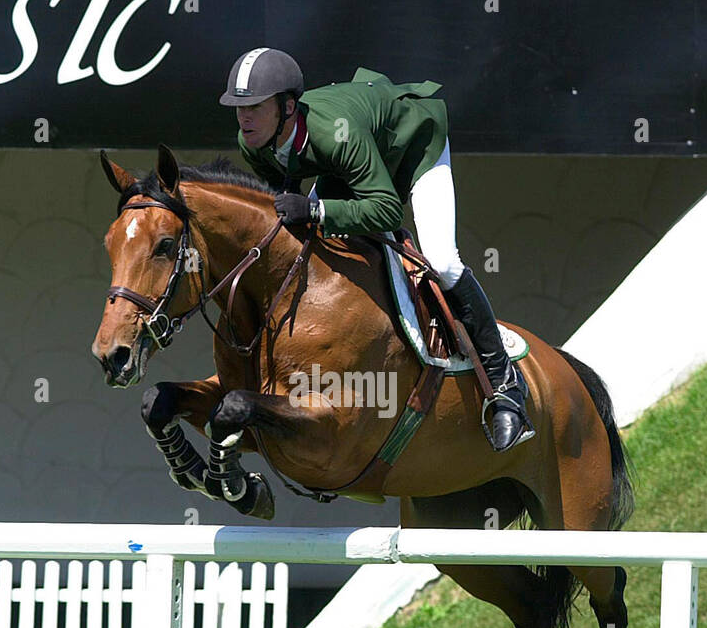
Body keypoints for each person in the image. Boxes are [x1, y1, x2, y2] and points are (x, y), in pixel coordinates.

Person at [218, 47, 534, 452]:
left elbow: (386, 210)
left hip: (412, 146)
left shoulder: (333, 133)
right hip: (354, 161)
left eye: (255, 107)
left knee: (442, 260)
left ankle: (506, 386)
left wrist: (315, 208)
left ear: (288, 107)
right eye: (239, 108)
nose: (244, 118)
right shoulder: (253, 141)